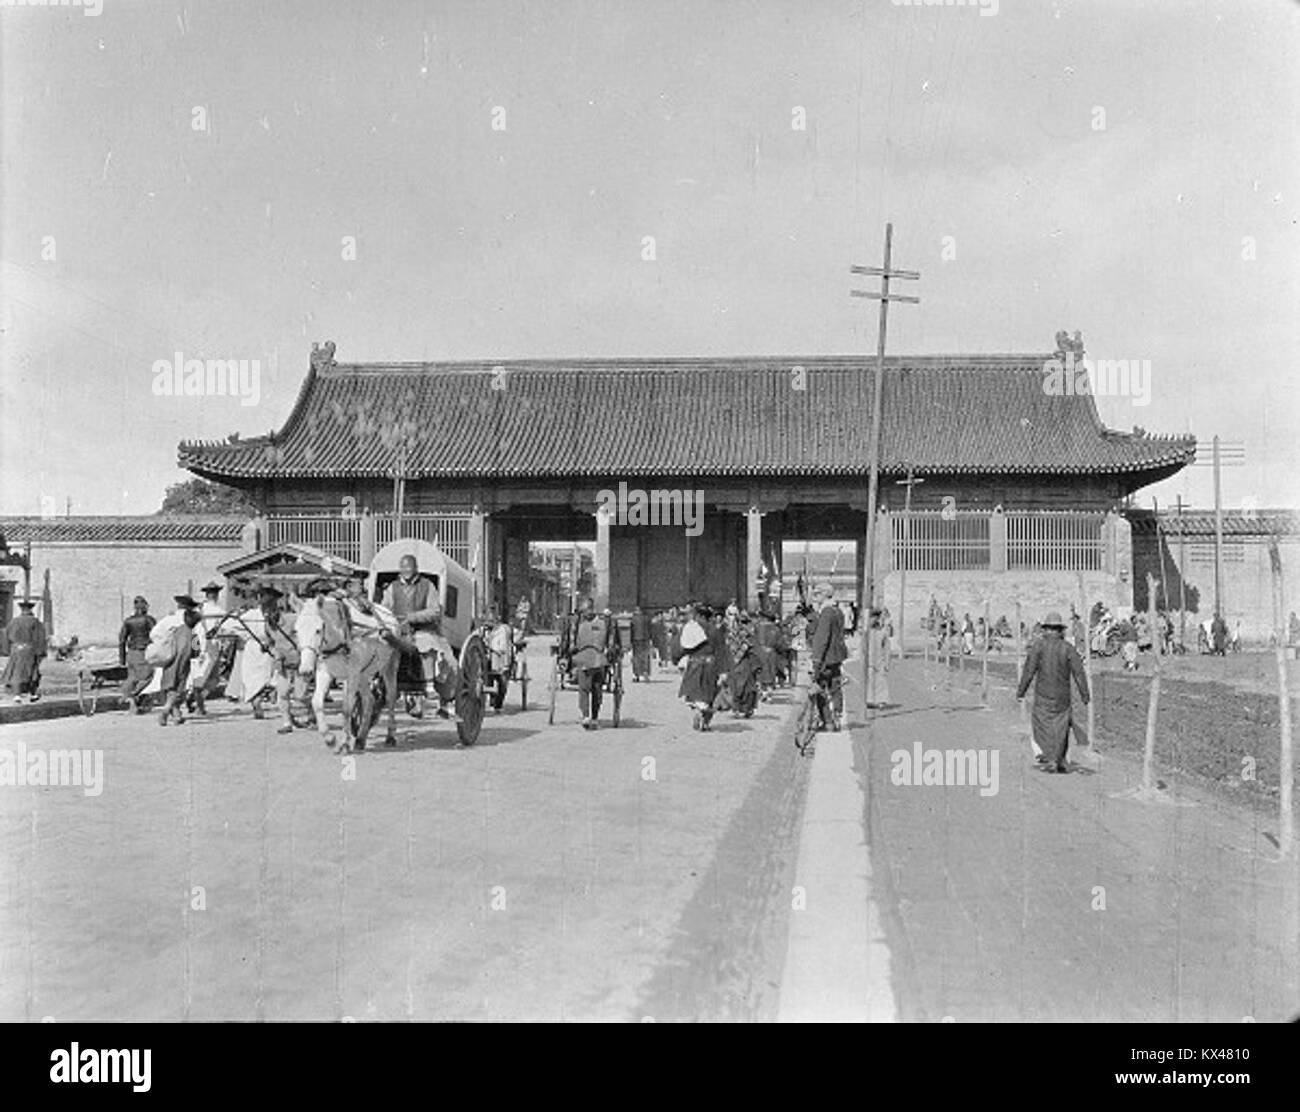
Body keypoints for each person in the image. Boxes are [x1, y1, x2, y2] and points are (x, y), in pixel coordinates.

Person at [382, 553, 459, 718]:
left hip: (424, 630)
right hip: (398, 631)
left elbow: (435, 611)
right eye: (403, 567)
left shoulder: (428, 586)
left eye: (409, 567)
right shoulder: (392, 588)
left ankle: (430, 685)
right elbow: (384, 608)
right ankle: (380, 683)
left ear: (416, 568)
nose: (406, 570)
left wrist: (411, 617)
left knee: (426, 644)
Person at [1016, 610, 1090, 774]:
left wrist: (1021, 691)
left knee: (1041, 727)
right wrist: (1085, 694)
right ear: (1060, 630)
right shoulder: (1068, 648)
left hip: (1043, 696)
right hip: (1062, 697)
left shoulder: (1038, 647)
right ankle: (1059, 759)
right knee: (1061, 729)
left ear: (1047, 629)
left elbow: (1029, 671)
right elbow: (1079, 672)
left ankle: (1051, 758)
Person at [151, 594, 201, 726]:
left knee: (169, 682)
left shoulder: (169, 619)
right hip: (184, 652)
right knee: (180, 682)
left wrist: (166, 642)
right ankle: (166, 710)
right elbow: (196, 638)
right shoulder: (190, 619)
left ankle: (177, 715)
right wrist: (196, 651)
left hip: (170, 653)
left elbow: (154, 633)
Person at [809, 582, 847, 731]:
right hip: (837, 656)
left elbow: (822, 638)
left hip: (826, 658)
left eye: (817, 593)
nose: (815, 596)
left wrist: (816, 659)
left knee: (820, 689)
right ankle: (837, 717)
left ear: (825, 594)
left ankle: (828, 721)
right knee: (835, 688)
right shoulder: (838, 611)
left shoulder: (826, 613)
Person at [675, 603, 719, 731]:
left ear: (699, 615)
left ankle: (698, 710)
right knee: (709, 692)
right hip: (710, 664)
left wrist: (676, 658)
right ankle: (705, 721)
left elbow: (681, 646)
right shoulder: (714, 630)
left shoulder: (689, 628)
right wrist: (724, 670)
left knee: (694, 690)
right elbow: (721, 650)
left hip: (694, 663)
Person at [570, 597, 612, 729]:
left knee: (586, 689)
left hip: (588, 660)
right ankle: (592, 716)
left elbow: (572, 641)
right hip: (598, 660)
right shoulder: (603, 623)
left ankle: (588, 715)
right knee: (595, 689)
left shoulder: (579, 624)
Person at [3, 599, 47, 703]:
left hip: (16, 650)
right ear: (31, 610)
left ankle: (17, 695)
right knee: (32, 672)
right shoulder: (35, 622)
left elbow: (6, 636)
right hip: (29, 650)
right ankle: (33, 694)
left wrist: (7, 650)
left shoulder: (13, 621)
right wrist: (41, 652)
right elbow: (40, 638)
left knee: (16, 672)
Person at [118, 596, 156, 713]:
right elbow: (157, 635)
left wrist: (122, 659)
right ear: (144, 607)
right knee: (148, 677)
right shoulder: (148, 620)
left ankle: (129, 699)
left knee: (133, 677)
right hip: (143, 651)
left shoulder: (128, 621)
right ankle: (132, 695)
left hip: (131, 653)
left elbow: (122, 640)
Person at [865, 607, 892, 708]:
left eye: (876, 618)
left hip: (879, 660)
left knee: (881, 680)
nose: (873, 620)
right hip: (869, 660)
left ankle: (881, 700)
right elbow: (863, 648)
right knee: (870, 680)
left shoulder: (882, 633)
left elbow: (887, 649)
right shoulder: (867, 633)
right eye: (872, 618)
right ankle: (870, 699)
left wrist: (887, 662)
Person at [630, 605, 652, 682]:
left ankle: (636, 674)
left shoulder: (633, 619)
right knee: (645, 656)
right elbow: (650, 629)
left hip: (636, 640)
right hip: (645, 639)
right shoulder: (646, 618)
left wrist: (630, 642)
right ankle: (645, 672)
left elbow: (631, 631)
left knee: (636, 657)